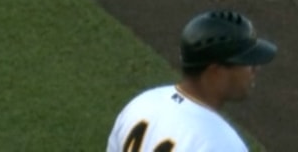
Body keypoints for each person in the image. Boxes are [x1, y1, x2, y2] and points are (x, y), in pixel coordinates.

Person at [105, 9, 277, 152]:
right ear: (215, 71)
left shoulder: (140, 105)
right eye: (245, 62)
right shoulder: (223, 144)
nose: (255, 68)